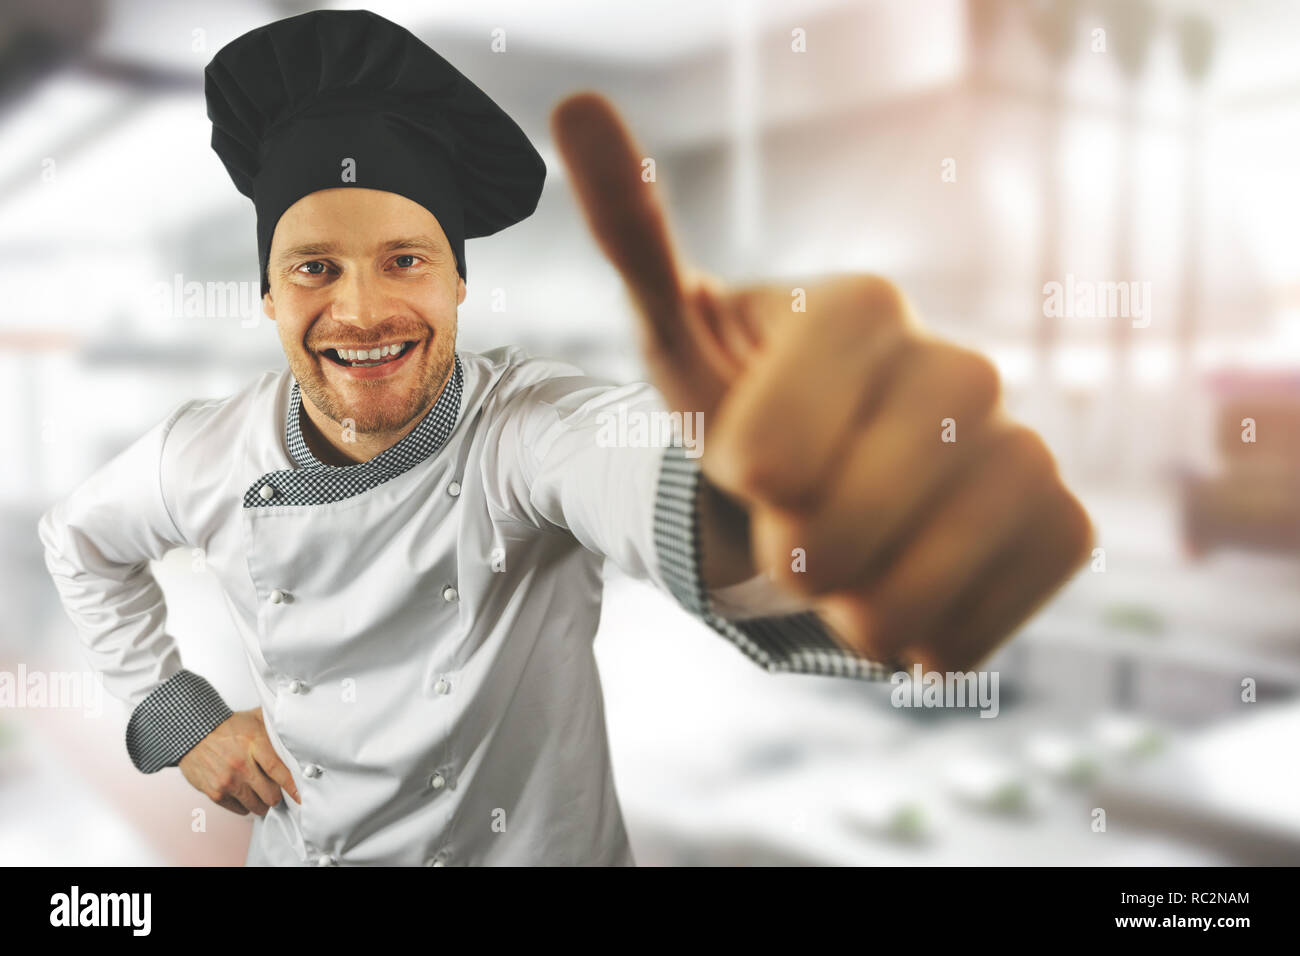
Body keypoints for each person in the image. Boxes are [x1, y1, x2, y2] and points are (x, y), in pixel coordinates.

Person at [37, 9, 1091, 866]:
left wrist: (768, 504)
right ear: (267, 295)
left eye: (404, 259)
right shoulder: (204, 452)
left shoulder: (524, 431)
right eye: (314, 267)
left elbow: (646, 477)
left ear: (458, 281)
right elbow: (78, 539)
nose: (359, 312)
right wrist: (181, 718)